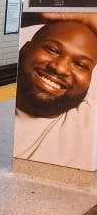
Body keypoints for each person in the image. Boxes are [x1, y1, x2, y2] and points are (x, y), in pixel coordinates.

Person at [14, 12, 97, 170]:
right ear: (25, 49)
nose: (60, 68)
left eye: (81, 65)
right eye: (52, 49)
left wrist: (87, 17)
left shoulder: (91, 122)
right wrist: (42, 15)